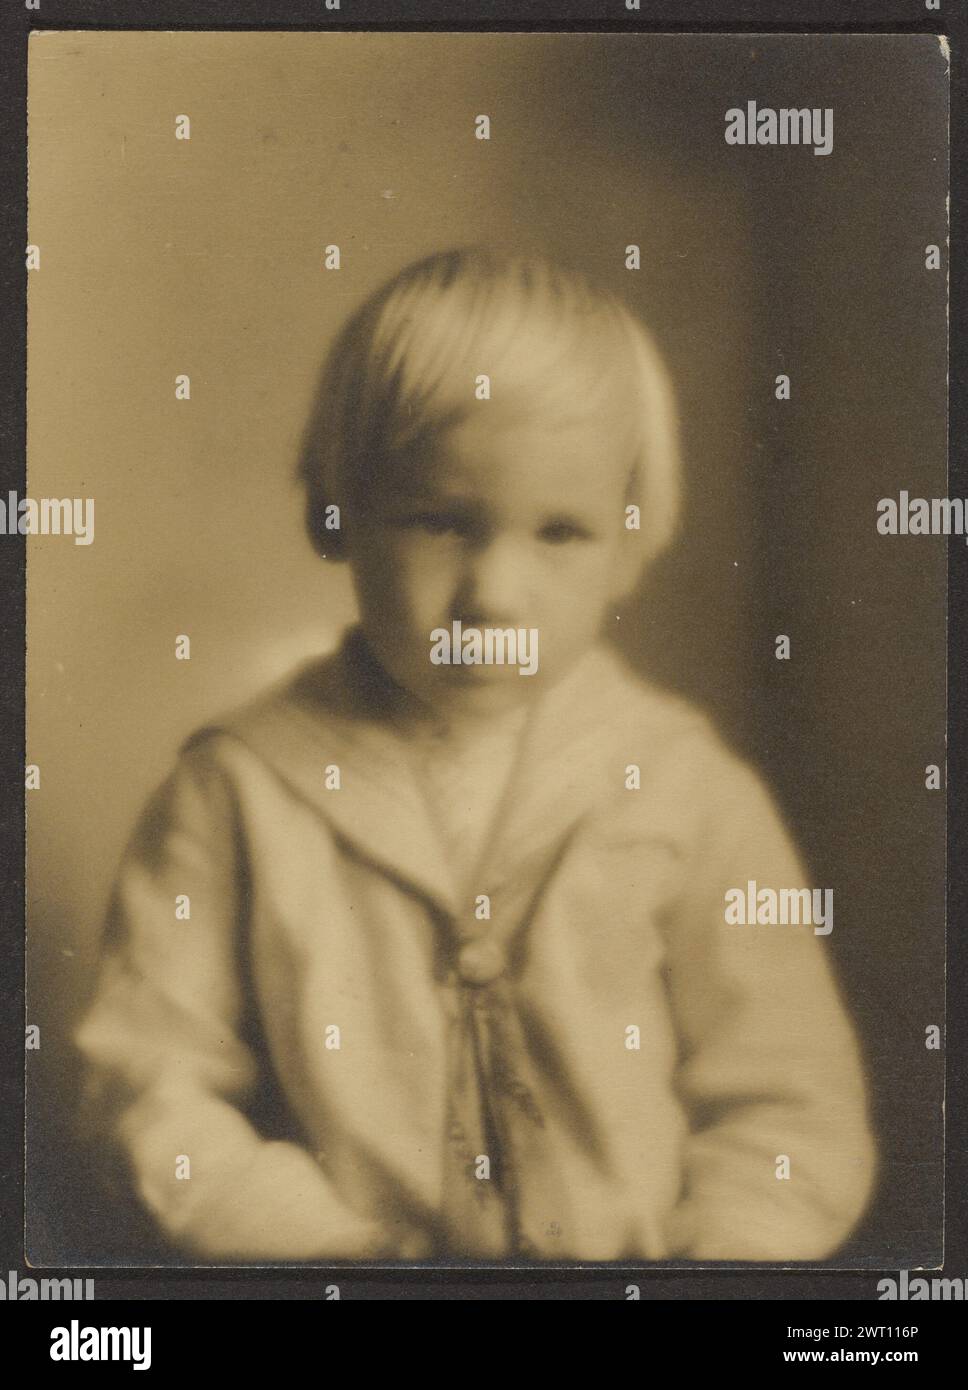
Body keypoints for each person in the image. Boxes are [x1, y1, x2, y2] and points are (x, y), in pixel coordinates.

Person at [74, 246, 877, 1262]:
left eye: (560, 533)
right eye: (440, 522)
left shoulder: (684, 789)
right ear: (336, 514)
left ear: (631, 542)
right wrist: (320, 1250)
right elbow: (150, 1083)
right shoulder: (236, 789)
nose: (493, 592)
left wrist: (719, 1259)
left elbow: (788, 1099)